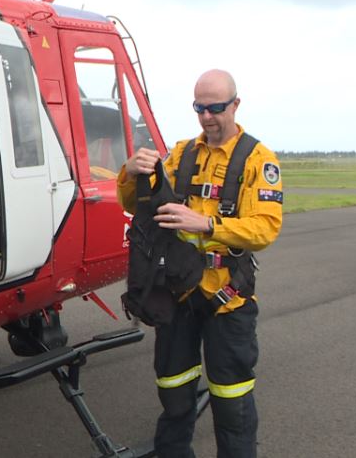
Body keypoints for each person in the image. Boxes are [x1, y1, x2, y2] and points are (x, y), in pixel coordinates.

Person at [117, 69, 283, 458]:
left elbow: (265, 227)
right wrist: (131, 173)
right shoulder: (182, 154)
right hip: (178, 294)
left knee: (232, 404)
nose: (207, 116)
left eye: (216, 108)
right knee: (174, 393)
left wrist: (207, 224)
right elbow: (134, 204)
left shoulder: (258, 160)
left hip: (229, 298)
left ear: (235, 105)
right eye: (199, 108)